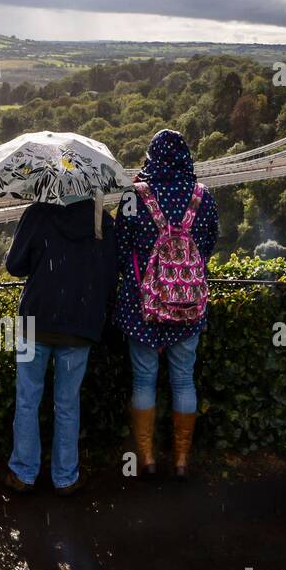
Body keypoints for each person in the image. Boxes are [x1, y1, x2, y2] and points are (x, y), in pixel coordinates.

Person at [113, 129, 219, 480]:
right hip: (187, 306)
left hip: (141, 306)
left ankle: (146, 458)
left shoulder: (134, 195)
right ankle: (181, 461)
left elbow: (119, 248)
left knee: (144, 381)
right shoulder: (203, 197)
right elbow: (207, 247)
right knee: (183, 381)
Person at [3, 195, 117, 496]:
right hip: (80, 324)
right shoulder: (100, 219)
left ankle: (23, 475)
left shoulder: (37, 214)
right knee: (67, 403)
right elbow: (110, 274)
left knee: (27, 400)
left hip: (34, 323)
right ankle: (65, 478)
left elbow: (14, 266)